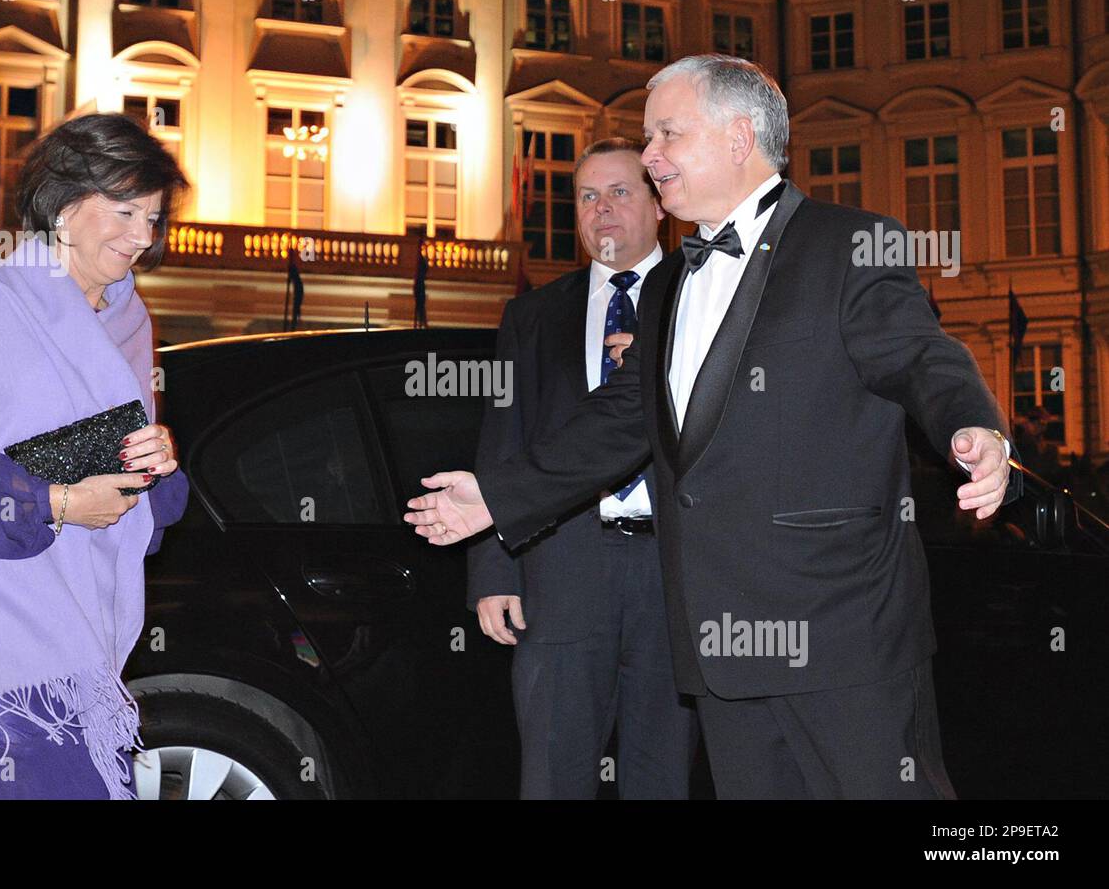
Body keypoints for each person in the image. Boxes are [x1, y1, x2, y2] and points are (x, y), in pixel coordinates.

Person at [406, 54, 1020, 799]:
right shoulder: (668, 282)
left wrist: (975, 427)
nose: (650, 156)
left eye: (668, 134)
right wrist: (497, 497)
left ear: (738, 138)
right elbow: (621, 420)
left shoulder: (850, 244)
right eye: (648, 138)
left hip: (841, 633)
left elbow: (923, 356)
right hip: (718, 647)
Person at [0, 113, 191, 799]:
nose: (142, 236)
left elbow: (128, 481)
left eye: (152, 217)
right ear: (63, 205)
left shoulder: (129, 317)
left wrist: (157, 458)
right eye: (124, 211)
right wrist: (57, 503)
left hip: (81, 606)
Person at [469, 138, 698, 798]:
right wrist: (495, 569)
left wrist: (661, 373)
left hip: (676, 573)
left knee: (663, 777)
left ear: (659, 206)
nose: (602, 209)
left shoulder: (703, 302)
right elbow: (504, 442)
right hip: (563, 570)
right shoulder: (534, 315)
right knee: (553, 774)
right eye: (588, 196)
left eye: (620, 192)